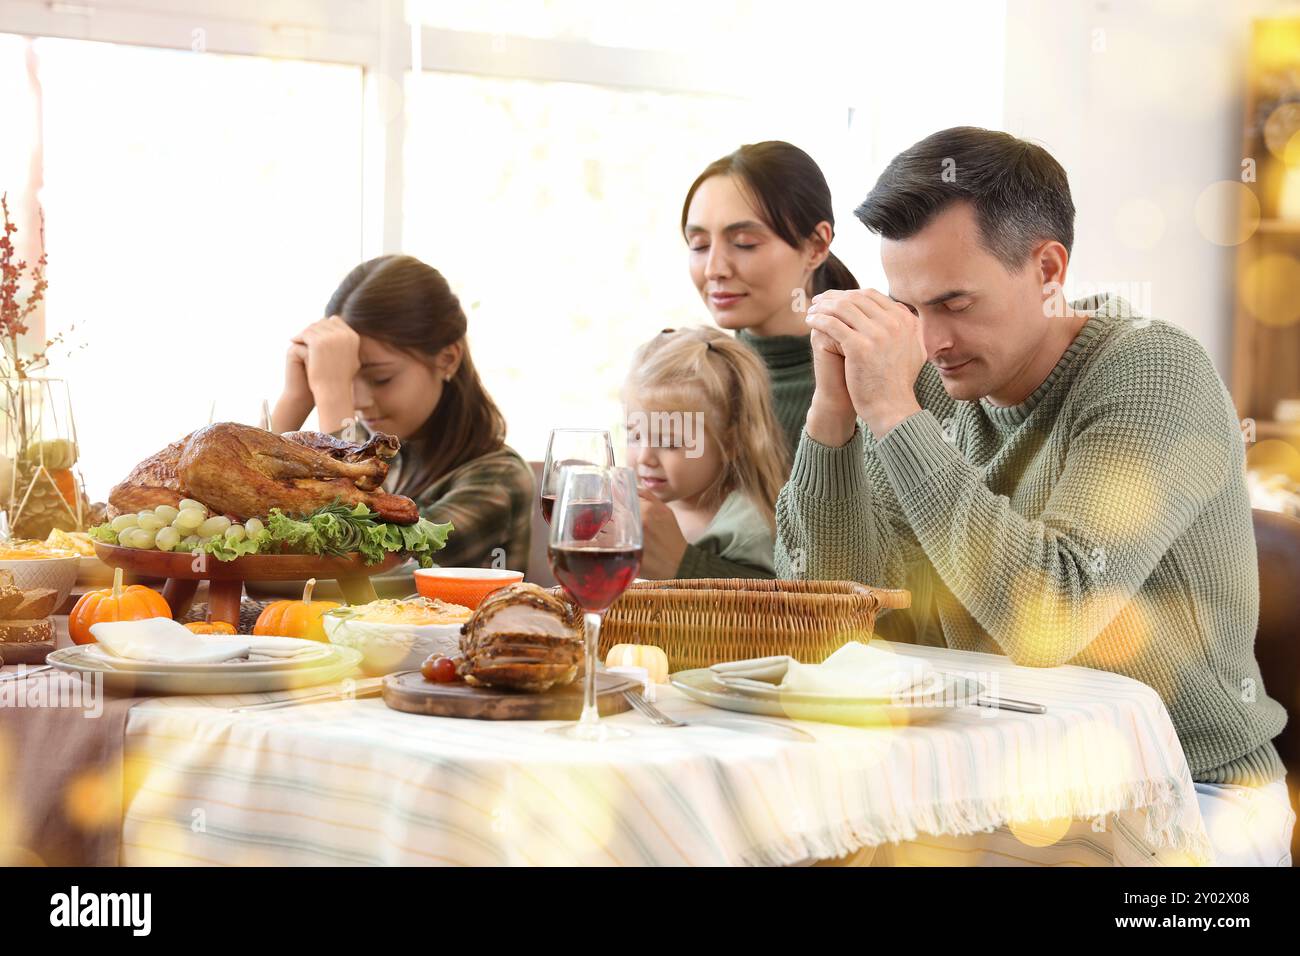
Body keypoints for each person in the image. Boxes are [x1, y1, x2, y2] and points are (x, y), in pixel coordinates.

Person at [776, 126, 1294, 865]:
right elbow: (836, 624)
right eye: (909, 307)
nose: (929, 339)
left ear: (1048, 267)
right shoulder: (927, 388)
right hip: (985, 789)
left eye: (955, 302)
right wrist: (834, 416)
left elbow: (1049, 616)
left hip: (1189, 794)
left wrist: (892, 412)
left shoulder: (1152, 370)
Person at [272, 254, 533, 572]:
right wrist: (295, 400)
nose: (359, 401)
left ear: (448, 359)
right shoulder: (382, 456)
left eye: (381, 377)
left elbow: (368, 565)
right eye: (348, 377)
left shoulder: (498, 479)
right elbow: (254, 534)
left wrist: (333, 393)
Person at [682, 141, 858, 459]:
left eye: (744, 243)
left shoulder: (865, 383)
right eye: (698, 244)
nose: (714, 269)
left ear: (816, 245)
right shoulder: (696, 381)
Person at [625, 327, 787, 579]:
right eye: (634, 435)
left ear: (731, 442)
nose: (645, 457)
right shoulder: (642, 509)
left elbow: (763, 612)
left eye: (670, 443)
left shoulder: (747, 530)